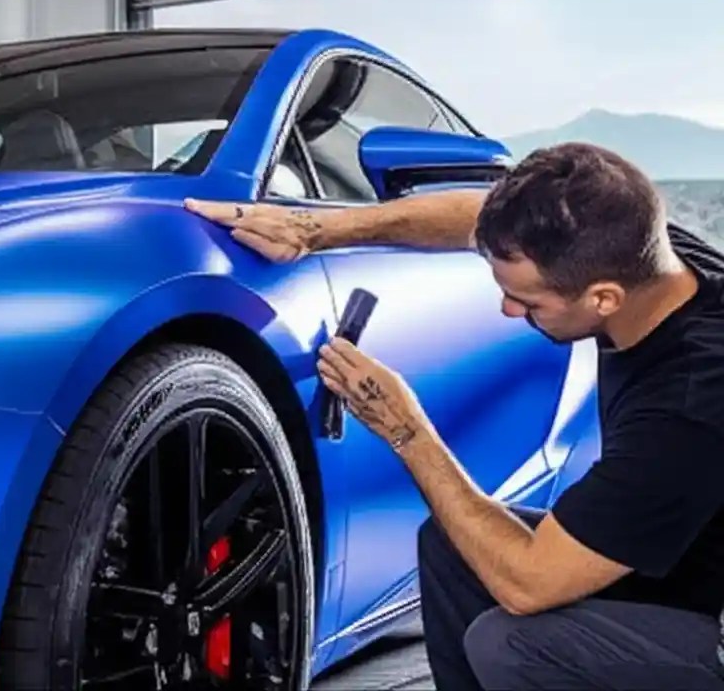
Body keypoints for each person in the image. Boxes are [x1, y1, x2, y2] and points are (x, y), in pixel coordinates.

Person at [185, 141, 724, 690]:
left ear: (603, 298)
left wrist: (404, 428)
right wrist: (316, 231)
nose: (508, 310)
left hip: (714, 633)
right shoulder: (636, 253)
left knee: (513, 644)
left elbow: (529, 584)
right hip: (681, 570)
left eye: (529, 302)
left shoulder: (688, 405)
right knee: (454, 547)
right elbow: (474, 216)